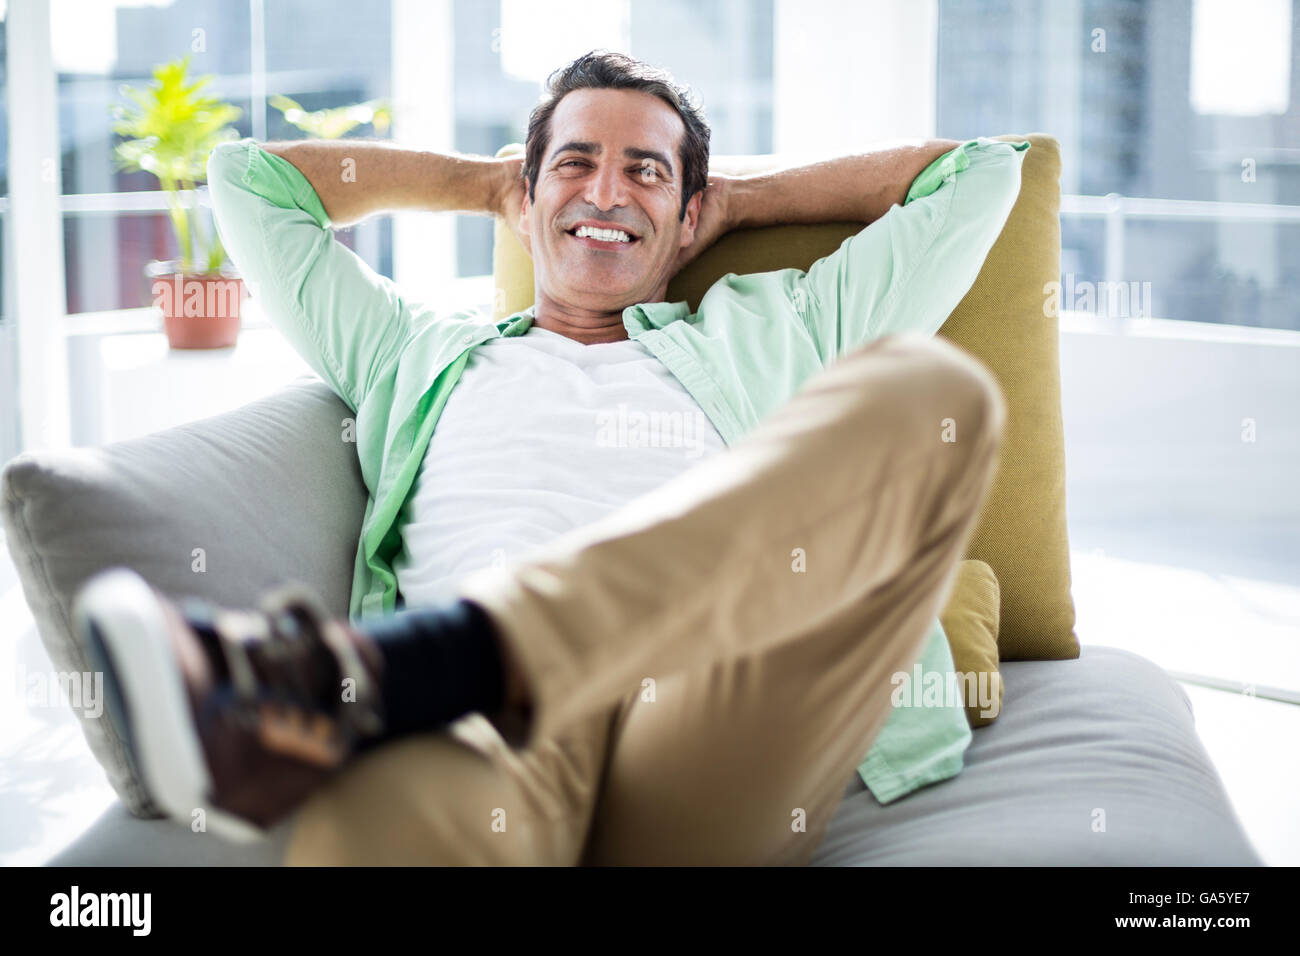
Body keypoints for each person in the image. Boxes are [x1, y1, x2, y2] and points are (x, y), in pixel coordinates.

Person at [73, 49, 1026, 865]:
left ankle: (407, 664)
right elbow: (248, 180)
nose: (606, 192)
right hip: (477, 737)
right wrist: (485, 186)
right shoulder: (414, 347)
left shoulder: (779, 327)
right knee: (369, 828)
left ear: (691, 218)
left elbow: (982, 175)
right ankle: (447, 665)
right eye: (574, 163)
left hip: (707, 715)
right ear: (524, 200)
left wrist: (736, 201)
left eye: (648, 173)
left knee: (935, 400)